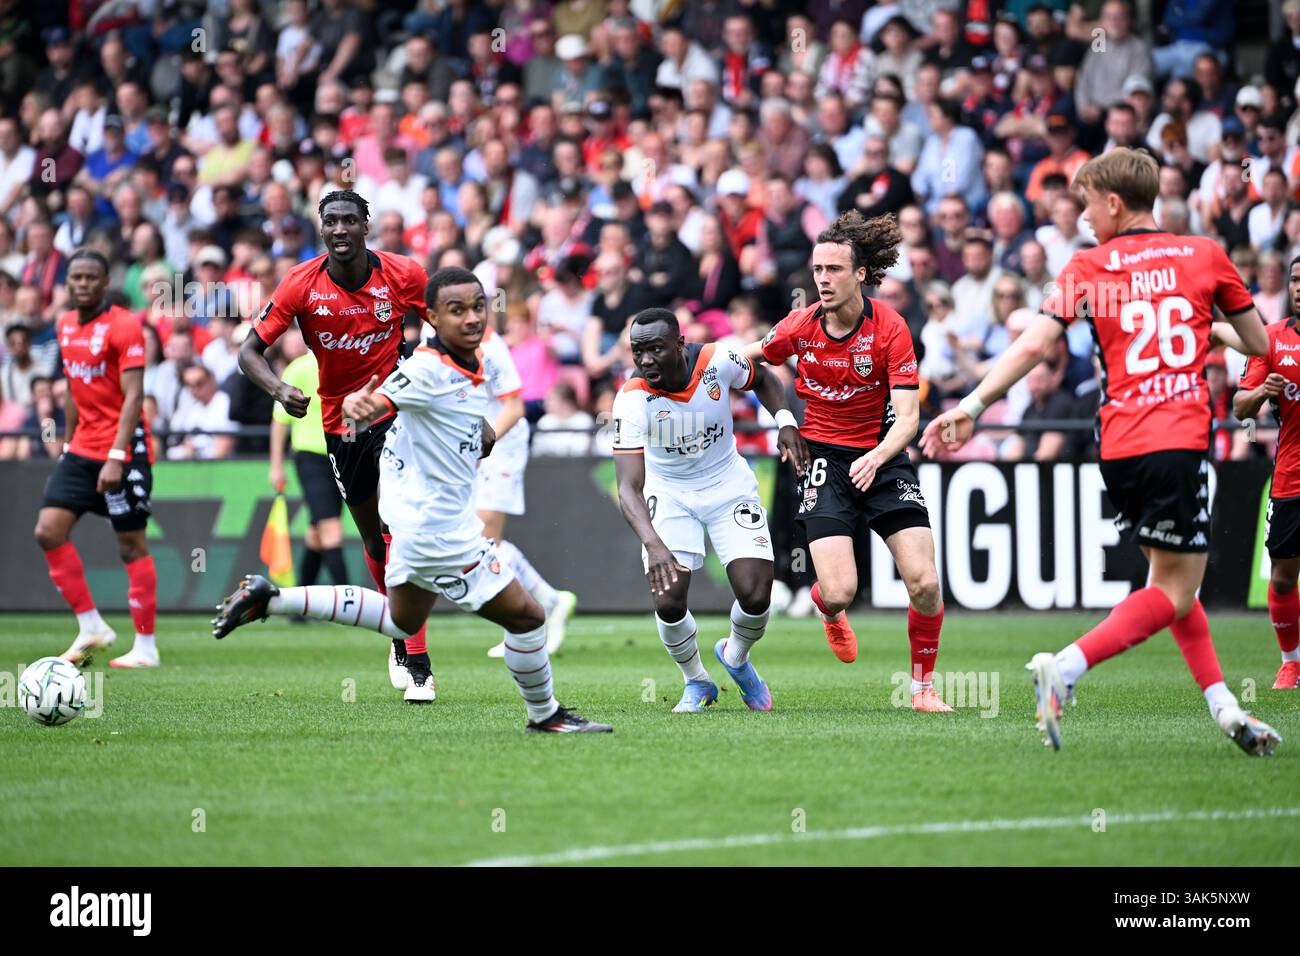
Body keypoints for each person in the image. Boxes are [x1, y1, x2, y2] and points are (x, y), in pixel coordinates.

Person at [921, 148, 1281, 756]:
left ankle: (1224, 708)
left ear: (1115, 202)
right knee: (1174, 589)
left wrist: (972, 407)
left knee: (1170, 585)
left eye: (1087, 204)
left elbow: (1032, 346)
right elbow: (1258, 343)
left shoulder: (1088, 266)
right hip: (1175, 442)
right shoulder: (1203, 254)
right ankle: (1064, 668)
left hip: (1117, 449)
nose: (1084, 218)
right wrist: (1209, 326)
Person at [213, 268, 612, 734]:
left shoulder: (468, 359)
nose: (471, 318)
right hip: (440, 530)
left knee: (400, 621)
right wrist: (361, 406)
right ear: (431, 317)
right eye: (456, 310)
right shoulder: (425, 369)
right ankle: (546, 716)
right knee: (528, 617)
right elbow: (383, 401)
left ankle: (273, 599)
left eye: (477, 307)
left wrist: (478, 427)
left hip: (421, 524)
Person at [743, 211, 953, 713]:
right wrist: (695, 363)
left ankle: (922, 689)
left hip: (883, 456)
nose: (823, 279)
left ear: (860, 273)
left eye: (834, 269)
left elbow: (908, 419)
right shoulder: (801, 325)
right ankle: (827, 608)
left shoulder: (890, 328)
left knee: (925, 582)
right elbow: (742, 358)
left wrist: (878, 457)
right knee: (840, 591)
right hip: (823, 460)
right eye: (818, 269)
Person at [238, 189, 437, 698]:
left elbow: (447, 326)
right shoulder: (300, 283)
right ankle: (396, 628)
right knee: (372, 538)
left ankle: (418, 660)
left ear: (367, 225)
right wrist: (278, 389)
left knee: (395, 524)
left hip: (394, 407)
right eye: (332, 221)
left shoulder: (403, 274)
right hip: (339, 423)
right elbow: (249, 352)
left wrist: (434, 377)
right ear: (321, 228)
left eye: (350, 219)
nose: (341, 228)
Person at [613, 308, 807, 712]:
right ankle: (697, 681)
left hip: (727, 485)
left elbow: (764, 379)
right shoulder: (631, 399)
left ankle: (735, 656)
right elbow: (628, 488)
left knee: (756, 595)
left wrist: (786, 421)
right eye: (637, 351)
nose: (645, 360)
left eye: (655, 349)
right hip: (669, 493)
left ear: (680, 345)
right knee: (668, 599)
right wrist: (653, 544)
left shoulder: (718, 360)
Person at [34, 249, 158, 669]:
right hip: (82, 448)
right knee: (48, 531)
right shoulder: (65, 324)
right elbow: (73, 387)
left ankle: (146, 647)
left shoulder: (124, 326)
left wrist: (117, 456)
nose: (83, 284)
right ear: (67, 283)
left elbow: (134, 396)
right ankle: (92, 626)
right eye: (76, 277)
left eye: (91, 277)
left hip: (124, 450)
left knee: (130, 545)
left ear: (105, 283)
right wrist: (69, 442)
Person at [1233, 254, 1300, 692]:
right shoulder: (1271, 339)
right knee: (1281, 576)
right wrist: (1261, 391)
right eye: (1294, 280)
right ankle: (1291, 664)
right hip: (1292, 476)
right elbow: (1239, 408)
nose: (1299, 287)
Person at [269, 329, 349, 592]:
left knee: (317, 534)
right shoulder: (298, 369)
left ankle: (300, 599)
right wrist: (276, 466)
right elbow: (280, 421)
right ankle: (347, 600)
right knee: (331, 529)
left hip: (340, 457)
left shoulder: (343, 364)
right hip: (310, 458)